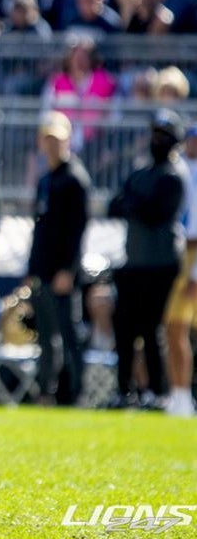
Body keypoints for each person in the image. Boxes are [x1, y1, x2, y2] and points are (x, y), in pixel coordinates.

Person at [109, 110, 187, 409]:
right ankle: (124, 390)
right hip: (134, 261)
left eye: (163, 136)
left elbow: (155, 213)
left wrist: (134, 204)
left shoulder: (174, 176)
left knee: (151, 328)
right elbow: (114, 205)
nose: (157, 141)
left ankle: (157, 390)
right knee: (125, 328)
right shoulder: (141, 173)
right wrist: (135, 205)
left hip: (161, 264)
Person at [26, 111, 90, 406]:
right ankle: (46, 391)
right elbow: (39, 229)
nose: (51, 144)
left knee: (67, 334)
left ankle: (76, 393)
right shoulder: (46, 179)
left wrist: (69, 269)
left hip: (62, 271)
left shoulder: (74, 179)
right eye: (47, 138)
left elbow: (78, 230)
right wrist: (32, 268)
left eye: (57, 139)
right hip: (43, 268)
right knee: (45, 336)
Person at [160, 124, 197, 417]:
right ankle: (180, 393)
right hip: (183, 252)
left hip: (194, 254)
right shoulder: (181, 168)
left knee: (179, 326)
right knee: (174, 327)